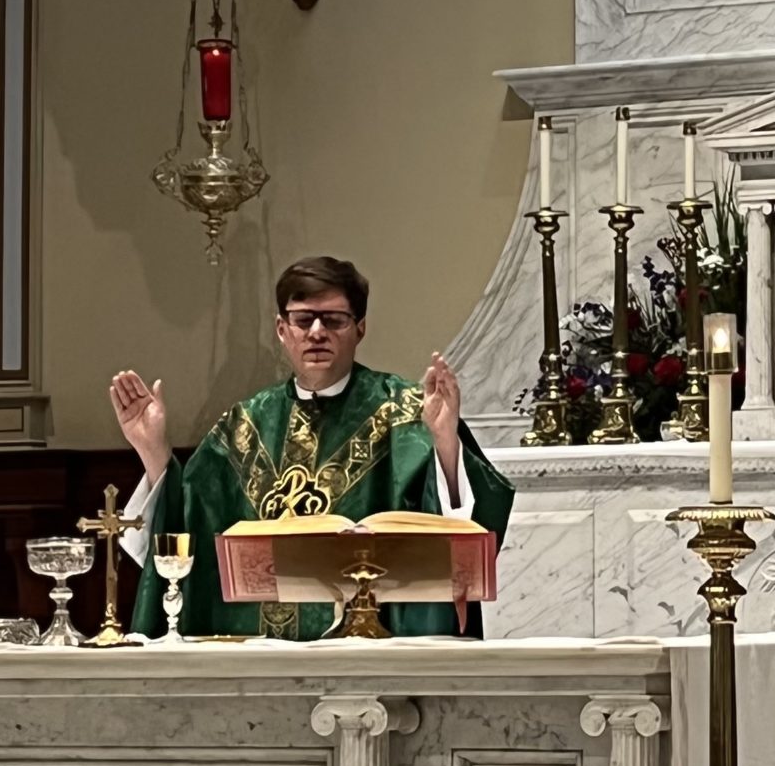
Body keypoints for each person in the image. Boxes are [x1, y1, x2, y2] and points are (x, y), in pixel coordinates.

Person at [110, 254, 514, 639]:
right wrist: (153, 453)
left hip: (369, 654)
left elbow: (460, 534)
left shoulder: (404, 413)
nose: (317, 332)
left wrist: (445, 441)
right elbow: (183, 530)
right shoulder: (245, 424)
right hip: (263, 657)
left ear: (360, 328)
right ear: (282, 330)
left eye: (334, 320)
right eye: (303, 319)